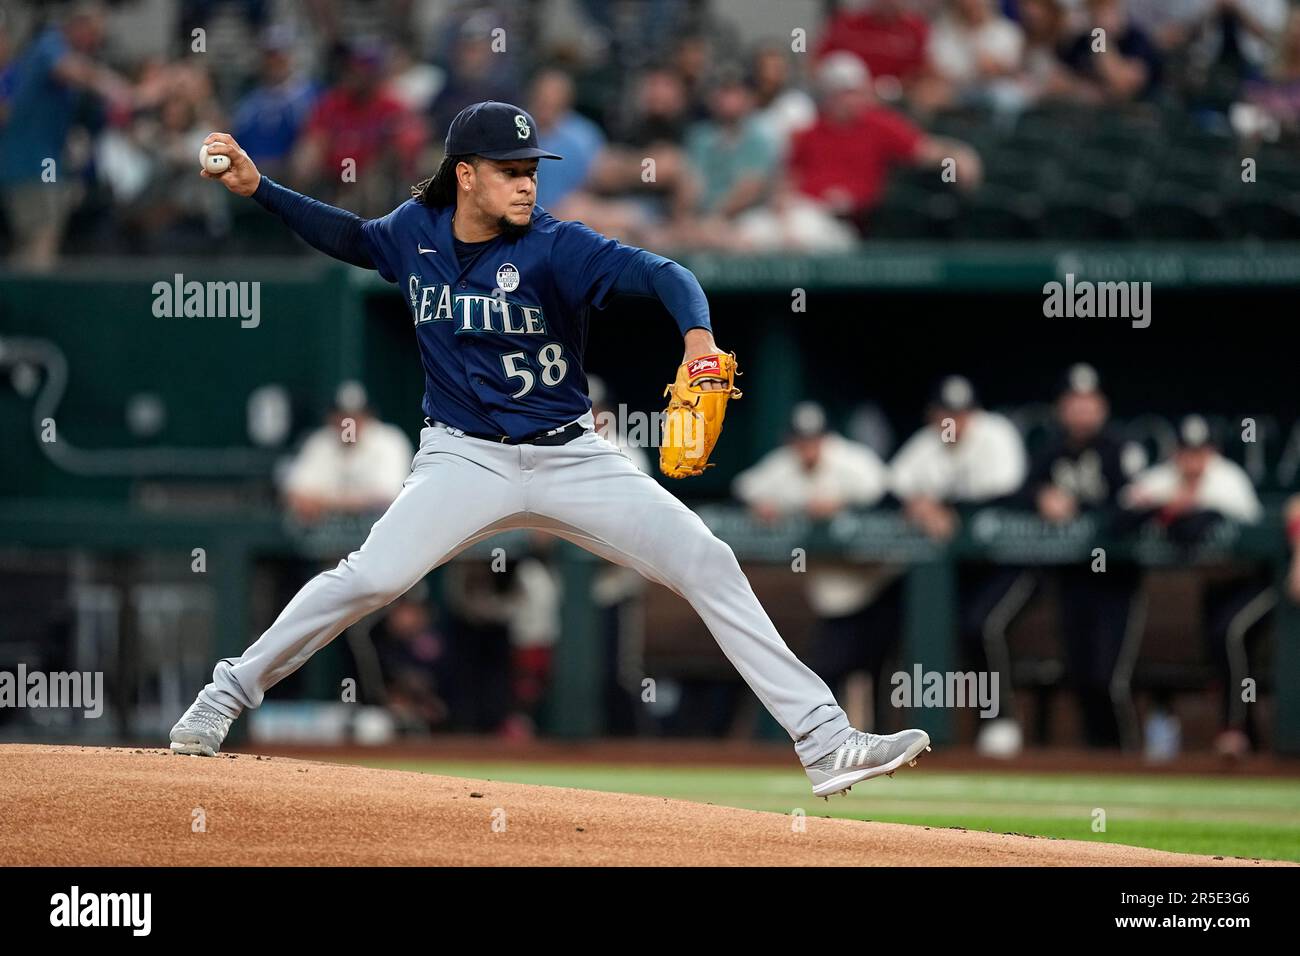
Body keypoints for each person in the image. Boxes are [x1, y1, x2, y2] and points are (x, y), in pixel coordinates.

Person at [169, 100, 931, 798]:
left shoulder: (557, 246)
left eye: (532, 171)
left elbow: (665, 272)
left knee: (708, 559)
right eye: (510, 172)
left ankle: (825, 741)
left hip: (573, 457)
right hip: (464, 458)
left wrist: (697, 337)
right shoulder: (414, 231)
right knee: (370, 576)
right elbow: (353, 238)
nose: (527, 185)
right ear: (465, 176)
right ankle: (227, 692)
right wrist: (261, 187)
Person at [733, 402, 899, 731]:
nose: (807, 447)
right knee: (832, 666)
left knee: (875, 670)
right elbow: (744, 489)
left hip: (879, 583)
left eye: (814, 439)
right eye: (800, 440)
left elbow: (892, 497)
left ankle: (875, 740)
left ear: (826, 438)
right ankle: (835, 738)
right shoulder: (782, 467)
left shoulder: (853, 462)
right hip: (834, 590)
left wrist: (845, 506)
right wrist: (760, 506)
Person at [891, 375, 1029, 754]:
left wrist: (946, 510)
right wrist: (919, 504)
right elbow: (891, 486)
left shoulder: (996, 435)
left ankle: (1001, 720)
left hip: (1010, 563)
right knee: (933, 625)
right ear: (933, 415)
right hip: (958, 574)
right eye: (946, 413)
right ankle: (928, 732)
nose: (954, 422)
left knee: (984, 624)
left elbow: (1009, 493)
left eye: (962, 413)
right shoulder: (925, 445)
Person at [1121, 414, 1269, 756]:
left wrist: (1179, 512)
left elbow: (1197, 533)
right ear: (1175, 454)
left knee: (1229, 634)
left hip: (1256, 581)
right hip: (1215, 586)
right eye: (1186, 452)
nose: (1192, 461)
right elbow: (1119, 518)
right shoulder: (1165, 478)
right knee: (1218, 649)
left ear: (1212, 453)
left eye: (1200, 453)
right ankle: (1246, 734)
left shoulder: (1228, 480)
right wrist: (1166, 507)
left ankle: (1235, 731)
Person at [1017, 364, 1146, 749]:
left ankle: (1127, 761)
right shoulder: (1051, 450)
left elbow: (1135, 506)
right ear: (1062, 408)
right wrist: (1042, 497)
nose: (1081, 410)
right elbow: (1019, 491)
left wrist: (1086, 515)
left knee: (1110, 678)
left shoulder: (1122, 448)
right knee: (1081, 675)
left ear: (1102, 406)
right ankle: (1098, 762)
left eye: (1089, 402)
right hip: (1072, 578)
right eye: (1074, 402)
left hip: (1116, 580)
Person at [281, 381, 414, 523]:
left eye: (355, 416)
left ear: (369, 416)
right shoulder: (320, 442)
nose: (348, 423)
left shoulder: (389, 440)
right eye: (342, 416)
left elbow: (387, 496)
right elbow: (295, 491)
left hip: (379, 533)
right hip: (326, 539)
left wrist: (324, 502)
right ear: (331, 418)